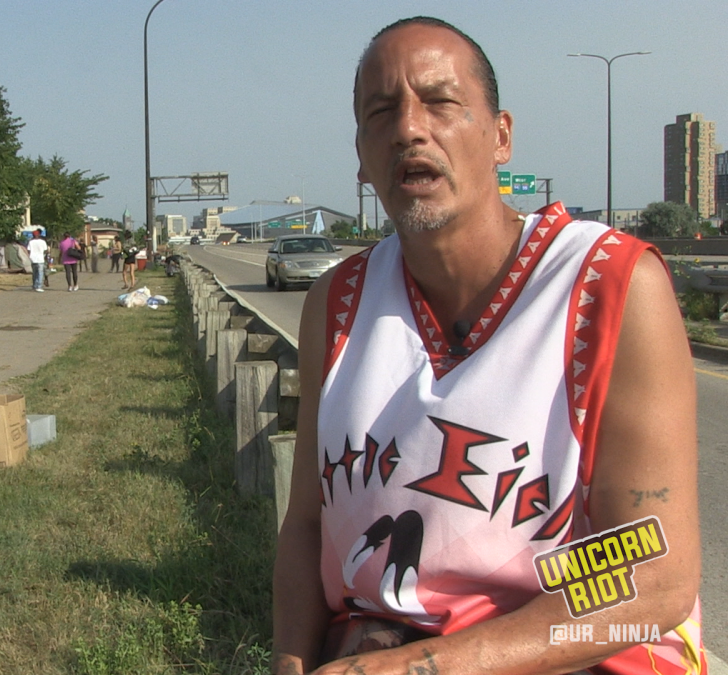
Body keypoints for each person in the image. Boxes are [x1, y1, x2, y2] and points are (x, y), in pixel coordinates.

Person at [271, 17, 703, 675]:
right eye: (381, 112)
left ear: (501, 136)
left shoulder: (611, 285)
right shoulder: (336, 302)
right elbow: (308, 525)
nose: (409, 128)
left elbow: (654, 574)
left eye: (440, 102)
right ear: (361, 155)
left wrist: (432, 662)